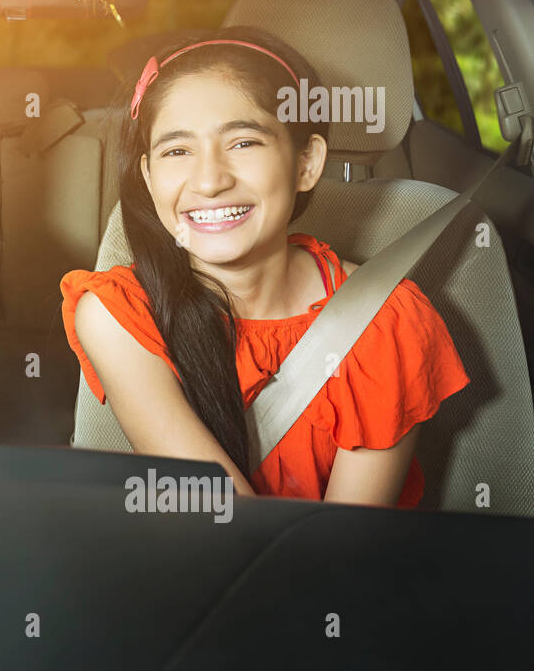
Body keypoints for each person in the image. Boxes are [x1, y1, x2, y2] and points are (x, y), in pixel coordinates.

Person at [61, 27, 470, 506]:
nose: (210, 180)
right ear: (149, 178)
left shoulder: (384, 322)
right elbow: (225, 517)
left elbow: (339, 545)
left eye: (243, 143)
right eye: (177, 151)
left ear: (306, 163)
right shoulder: (119, 314)